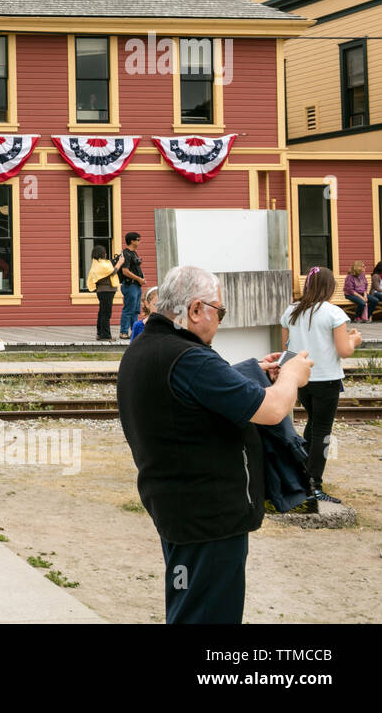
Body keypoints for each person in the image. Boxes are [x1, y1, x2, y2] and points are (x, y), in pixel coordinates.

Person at [118, 265, 312, 624]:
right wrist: (291, 377)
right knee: (206, 616)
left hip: (181, 509)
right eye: (219, 311)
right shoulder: (190, 358)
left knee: (189, 610)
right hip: (209, 518)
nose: (220, 320)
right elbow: (272, 409)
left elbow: (194, 394)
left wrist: (252, 370)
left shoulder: (149, 346)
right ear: (195, 310)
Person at [280, 267, 362, 510]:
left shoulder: (291, 311)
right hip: (326, 378)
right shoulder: (334, 313)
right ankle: (314, 486)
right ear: (329, 287)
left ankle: (304, 477)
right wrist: (354, 340)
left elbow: (287, 347)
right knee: (322, 431)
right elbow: (344, 350)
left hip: (301, 377)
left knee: (313, 424)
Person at [114, 232, 146, 340]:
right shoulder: (126, 254)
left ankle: (134, 332)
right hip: (130, 285)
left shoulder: (134, 253)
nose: (139, 241)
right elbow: (125, 271)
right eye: (138, 239)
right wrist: (138, 279)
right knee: (129, 309)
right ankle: (123, 332)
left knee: (136, 310)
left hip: (136, 286)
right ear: (132, 241)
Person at [86, 246, 119, 341]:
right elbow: (112, 272)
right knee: (106, 313)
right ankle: (105, 335)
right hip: (106, 290)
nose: (106, 254)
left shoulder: (98, 263)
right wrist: (119, 263)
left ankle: (100, 333)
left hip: (103, 291)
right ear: (101, 253)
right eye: (104, 252)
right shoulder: (100, 264)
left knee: (102, 312)